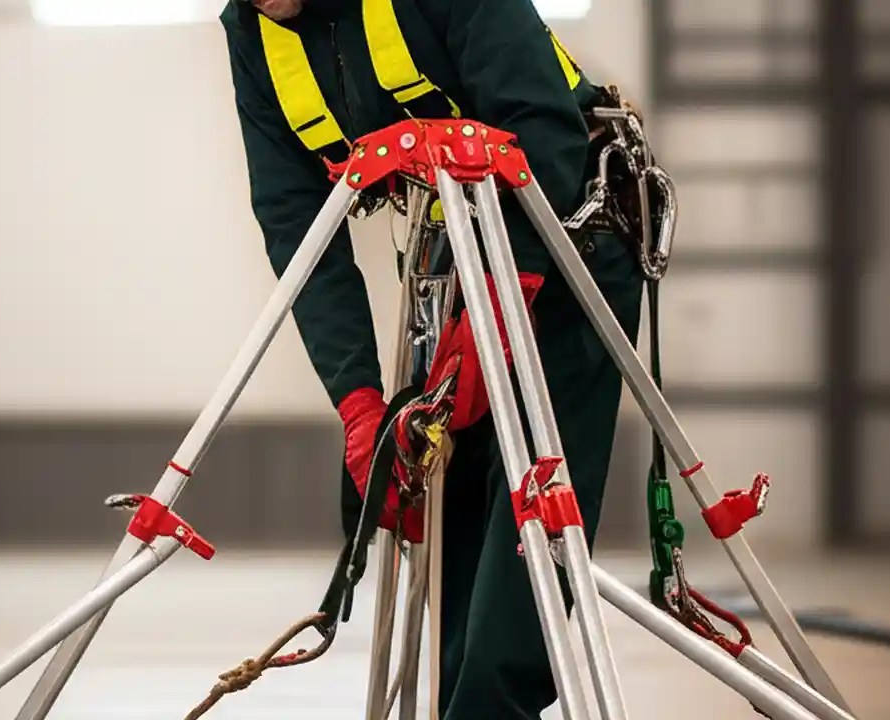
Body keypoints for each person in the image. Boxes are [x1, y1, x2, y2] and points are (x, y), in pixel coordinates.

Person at [219, 1, 643, 717]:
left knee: (526, 545)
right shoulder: (251, 31)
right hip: (456, 269)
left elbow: (541, 124)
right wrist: (357, 402)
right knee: (451, 557)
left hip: (567, 244)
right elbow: (295, 224)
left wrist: (498, 326)